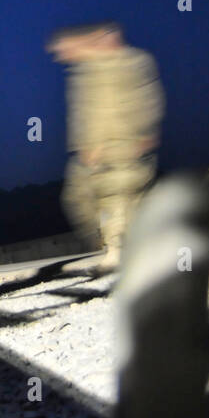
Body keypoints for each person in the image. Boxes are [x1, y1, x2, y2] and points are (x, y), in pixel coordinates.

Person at [47, 22, 164, 272]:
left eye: (64, 49)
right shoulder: (87, 69)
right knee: (79, 198)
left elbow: (147, 98)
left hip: (120, 143)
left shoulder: (130, 62)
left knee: (114, 197)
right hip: (91, 150)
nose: (61, 56)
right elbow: (85, 111)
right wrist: (84, 144)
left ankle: (116, 252)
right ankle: (123, 243)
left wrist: (143, 133)